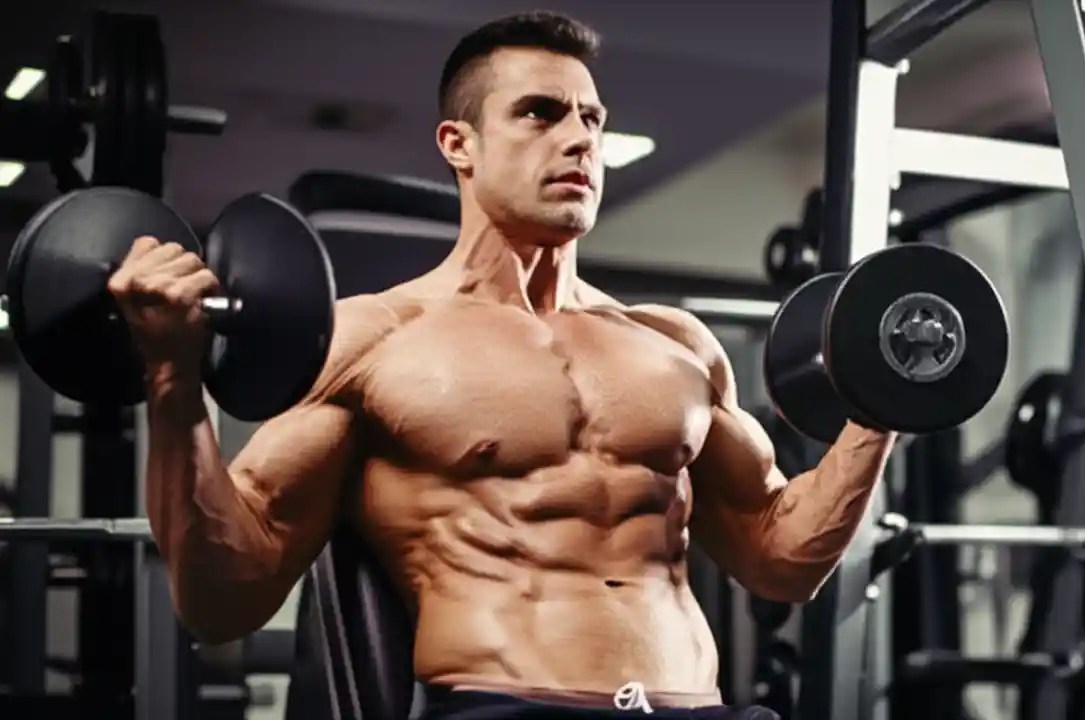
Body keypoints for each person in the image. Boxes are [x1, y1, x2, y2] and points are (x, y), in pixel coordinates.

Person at [107, 11, 894, 719]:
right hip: (509, 706)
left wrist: (886, 402)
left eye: (592, 118)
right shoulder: (371, 341)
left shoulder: (676, 344)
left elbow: (779, 558)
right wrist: (173, 381)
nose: (580, 139)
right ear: (459, 144)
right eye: (541, 113)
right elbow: (222, 599)